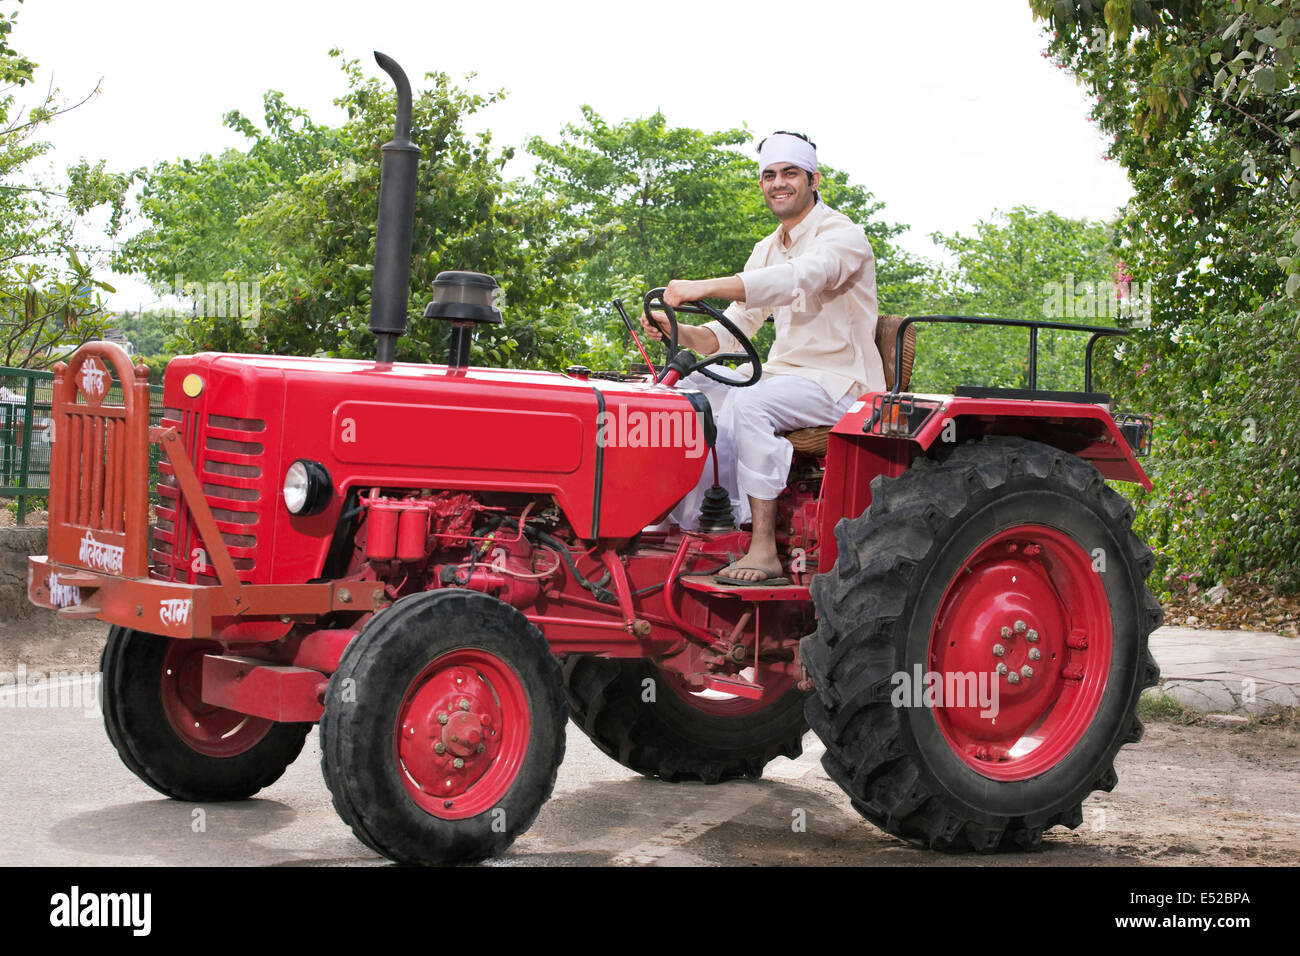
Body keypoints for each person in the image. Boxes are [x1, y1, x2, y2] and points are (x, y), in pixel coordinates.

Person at [641, 131, 884, 585]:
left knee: (752, 403)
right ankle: (681, 525)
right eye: (769, 175)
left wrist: (705, 285)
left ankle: (762, 547)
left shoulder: (842, 235)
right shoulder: (767, 247)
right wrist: (677, 329)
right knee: (688, 394)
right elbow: (731, 332)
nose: (779, 183)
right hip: (783, 375)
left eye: (790, 173)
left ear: (814, 179)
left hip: (839, 383)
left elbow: (800, 278)